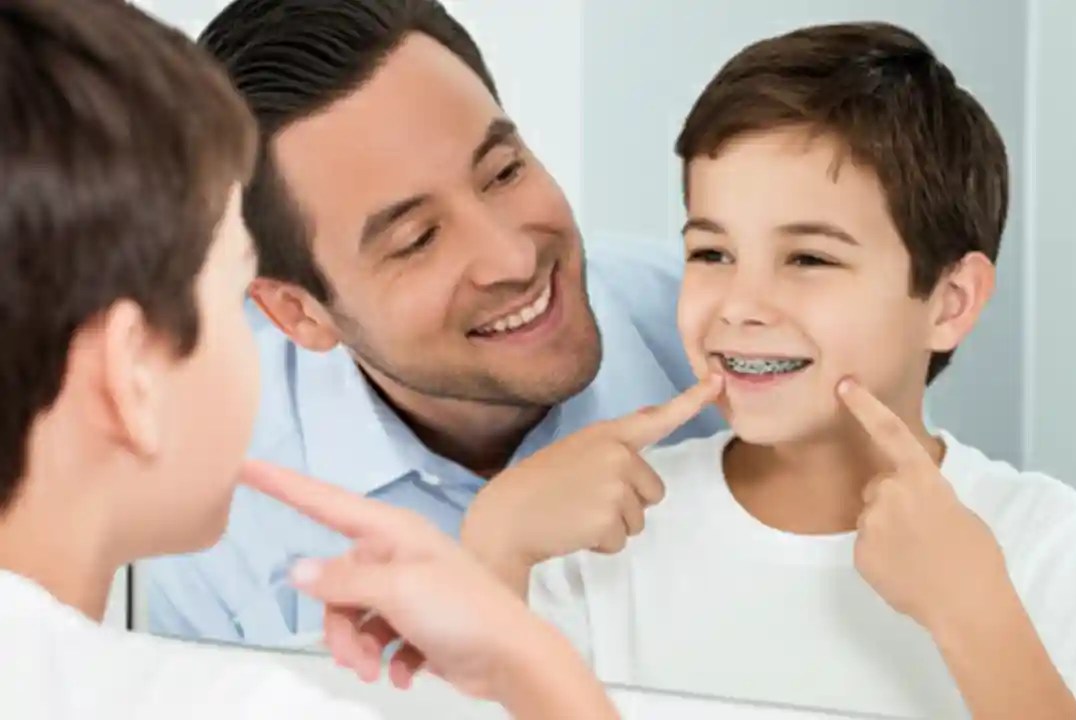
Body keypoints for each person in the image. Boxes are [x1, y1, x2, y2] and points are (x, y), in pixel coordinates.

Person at [518, 22, 1076, 720]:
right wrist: (499, 543)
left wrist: (976, 618)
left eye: (809, 259)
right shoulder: (608, 527)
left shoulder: (1037, 537)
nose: (741, 305)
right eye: (712, 253)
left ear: (949, 302)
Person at [0, 0, 618, 717]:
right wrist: (525, 657)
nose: (511, 259)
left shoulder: (698, 319)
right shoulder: (240, 701)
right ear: (130, 370)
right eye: (231, 291)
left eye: (504, 172)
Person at [144, 0, 725, 645]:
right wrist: (488, 565)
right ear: (298, 312)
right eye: (418, 240)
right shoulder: (200, 523)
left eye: (504, 172)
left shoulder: (728, 333)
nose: (514, 258)